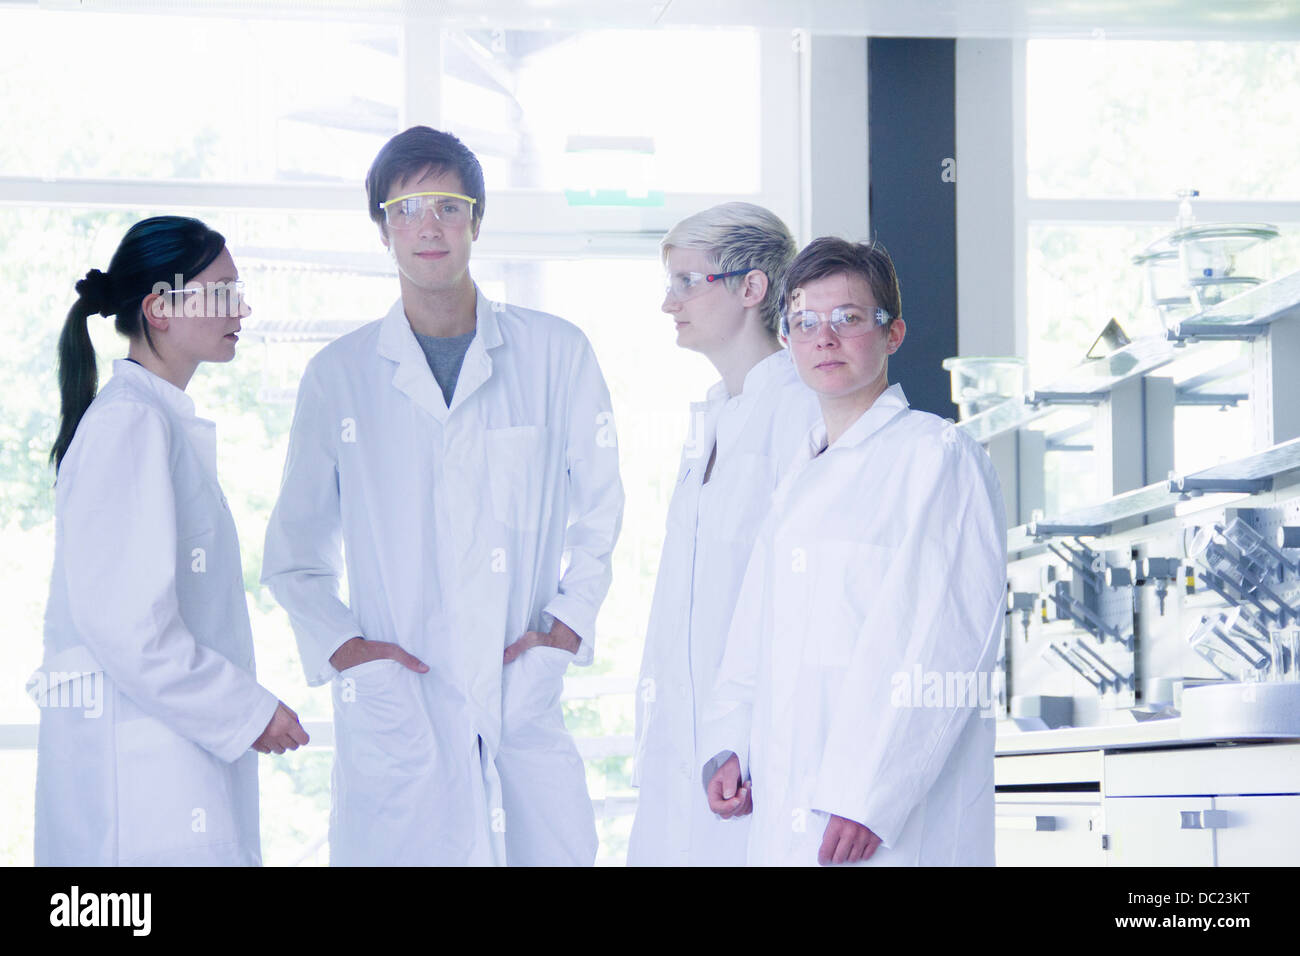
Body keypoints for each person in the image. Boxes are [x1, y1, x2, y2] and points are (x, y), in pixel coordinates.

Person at [262, 126, 624, 866]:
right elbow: (294, 557)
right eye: (406, 209)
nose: (429, 226)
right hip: (402, 705)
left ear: (476, 222)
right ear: (383, 230)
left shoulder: (556, 353)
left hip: (520, 686)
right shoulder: (339, 376)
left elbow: (602, 511)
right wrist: (351, 653)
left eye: (449, 207)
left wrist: (564, 628)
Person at [700, 237, 1007, 866]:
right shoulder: (797, 480)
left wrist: (869, 794)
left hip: (880, 819)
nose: (825, 338)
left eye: (848, 318)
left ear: (893, 334)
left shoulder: (936, 457)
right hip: (786, 809)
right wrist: (730, 745)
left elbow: (942, 640)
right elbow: (753, 635)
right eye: (805, 322)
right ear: (787, 340)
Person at [32, 215, 308, 867]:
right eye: (222, 292)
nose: (241, 309)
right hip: (142, 782)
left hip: (164, 763)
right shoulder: (129, 422)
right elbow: (129, 626)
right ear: (160, 308)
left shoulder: (149, 418)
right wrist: (245, 711)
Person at [627, 203, 819, 866]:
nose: (669, 302)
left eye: (687, 281)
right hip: (684, 750)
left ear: (751, 288)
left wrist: (747, 738)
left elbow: (800, 604)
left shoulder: (801, 412)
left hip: (752, 759)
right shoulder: (713, 417)